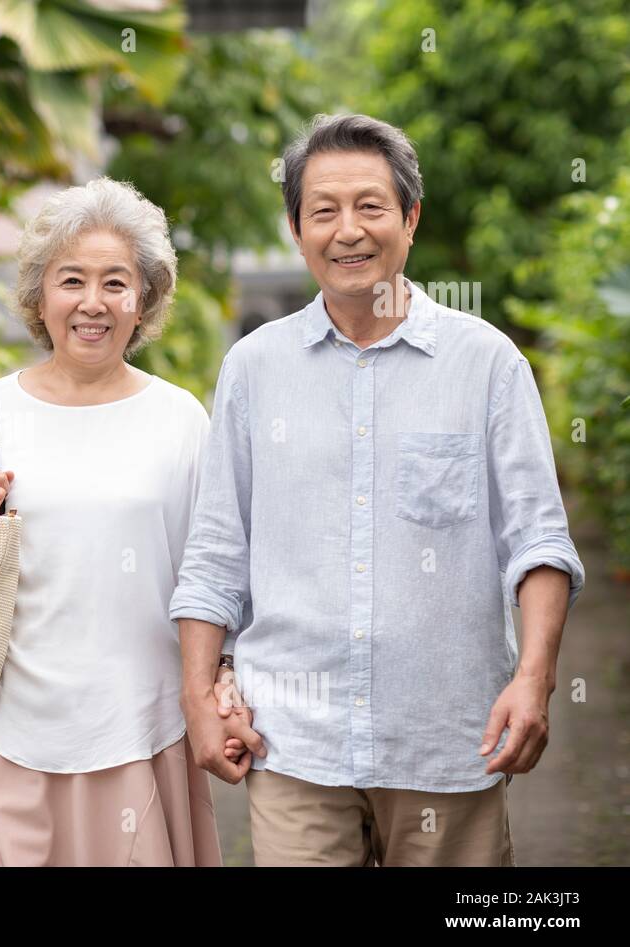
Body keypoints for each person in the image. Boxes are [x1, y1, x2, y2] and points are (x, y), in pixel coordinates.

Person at [171, 113, 584, 866]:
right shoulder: (254, 369)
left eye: (371, 206)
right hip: (294, 744)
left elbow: (539, 542)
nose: (348, 230)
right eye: (323, 210)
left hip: (449, 741)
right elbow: (216, 553)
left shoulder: (486, 363)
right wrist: (200, 698)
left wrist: (536, 680)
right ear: (297, 229)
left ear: (410, 218)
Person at [0, 177, 250, 865]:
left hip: (147, 725)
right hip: (11, 728)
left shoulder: (179, 421)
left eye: (116, 283)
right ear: (40, 296)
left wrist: (221, 679)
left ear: (143, 300)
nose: (92, 303)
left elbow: (216, 569)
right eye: (71, 280)